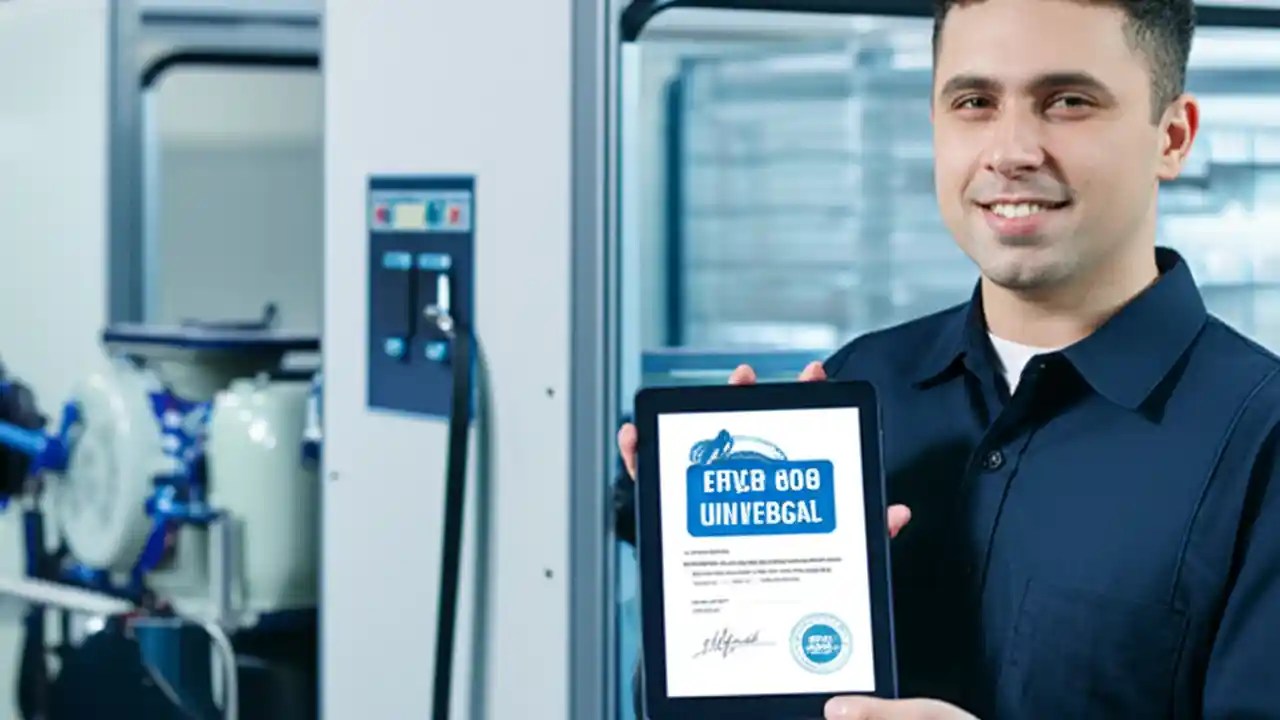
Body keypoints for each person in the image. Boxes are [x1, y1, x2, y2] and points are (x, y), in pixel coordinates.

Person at [614, 0, 1280, 717]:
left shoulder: (1261, 440)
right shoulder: (855, 390)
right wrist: (710, 581)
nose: (1012, 150)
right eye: (974, 102)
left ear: (1172, 137)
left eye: (1068, 102)